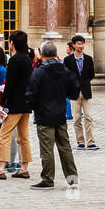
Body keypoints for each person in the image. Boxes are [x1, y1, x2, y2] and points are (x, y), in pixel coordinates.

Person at [27, 41, 79, 189]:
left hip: (44, 114)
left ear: (42, 54)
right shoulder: (64, 69)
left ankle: (48, 179)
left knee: (46, 149)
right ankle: (72, 178)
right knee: (65, 147)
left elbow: (30, 93)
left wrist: (34, 106)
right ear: (56, 54)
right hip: (60, 113)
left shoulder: (39, 72)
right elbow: (75, 90)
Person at [0, 30, 32, 180]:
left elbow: (10, 85)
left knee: (4, 136)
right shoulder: (27, 59)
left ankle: (0, 169)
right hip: (26, 103)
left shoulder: (14, 60)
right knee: (23, 137)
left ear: (12, 43)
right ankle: (24, 167)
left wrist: (3, 103)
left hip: (14, 104)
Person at [63, 35, 96, 149]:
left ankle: (91, 142)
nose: (80, 46)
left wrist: (84, 83)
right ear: (73, 45)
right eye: (78, 43)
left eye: (82, 43)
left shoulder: (88, 59)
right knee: (77, 119)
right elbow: (66, 76)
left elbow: (92, 74)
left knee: (88, 117)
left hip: (86, 91)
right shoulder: (67, 60)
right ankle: (80, 142)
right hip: (74, 92)